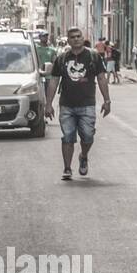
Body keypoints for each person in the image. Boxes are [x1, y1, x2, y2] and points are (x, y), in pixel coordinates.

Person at [44, 27, 111, 181]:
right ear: (68, 40)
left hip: (87, 104)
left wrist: (107, 101)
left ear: (82, 38)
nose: (76, 39)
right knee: (68, 136)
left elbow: (101, 78)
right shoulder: (61, 59)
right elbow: (54, 81)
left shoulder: (93, 57)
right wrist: (48, 104)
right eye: (72, 37)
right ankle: (67, 168)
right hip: (66, 105)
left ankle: (83, 155)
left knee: (87, 136)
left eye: (78, 36)